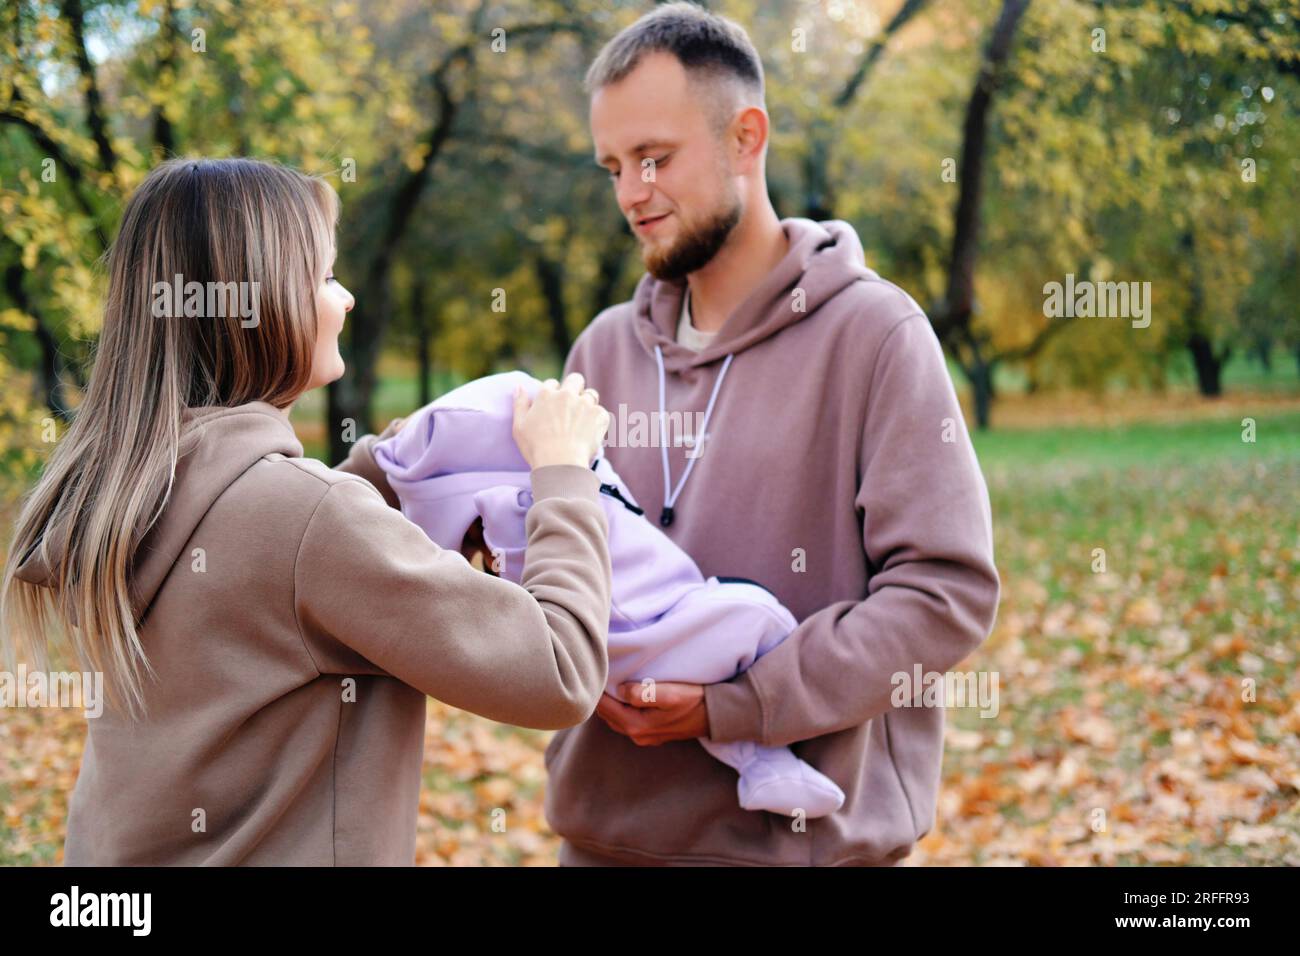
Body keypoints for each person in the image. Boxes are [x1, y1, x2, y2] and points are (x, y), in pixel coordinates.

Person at [0, 157, 613, 865]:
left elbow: (277, 547)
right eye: (324, 276)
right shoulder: (307, 524)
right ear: (259, 304)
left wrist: (389, 468)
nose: (345, 298)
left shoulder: (126, 492)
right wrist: (565, 476)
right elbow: (558, 671)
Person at [545, 3, 1001, 866]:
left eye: (655, 158)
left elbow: (944, 596)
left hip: (802, 849)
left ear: (746, 138)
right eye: (612, 166)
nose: (630, 194)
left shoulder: (876, 335)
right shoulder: (601, 349)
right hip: (604, 843)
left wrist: (739, 704)